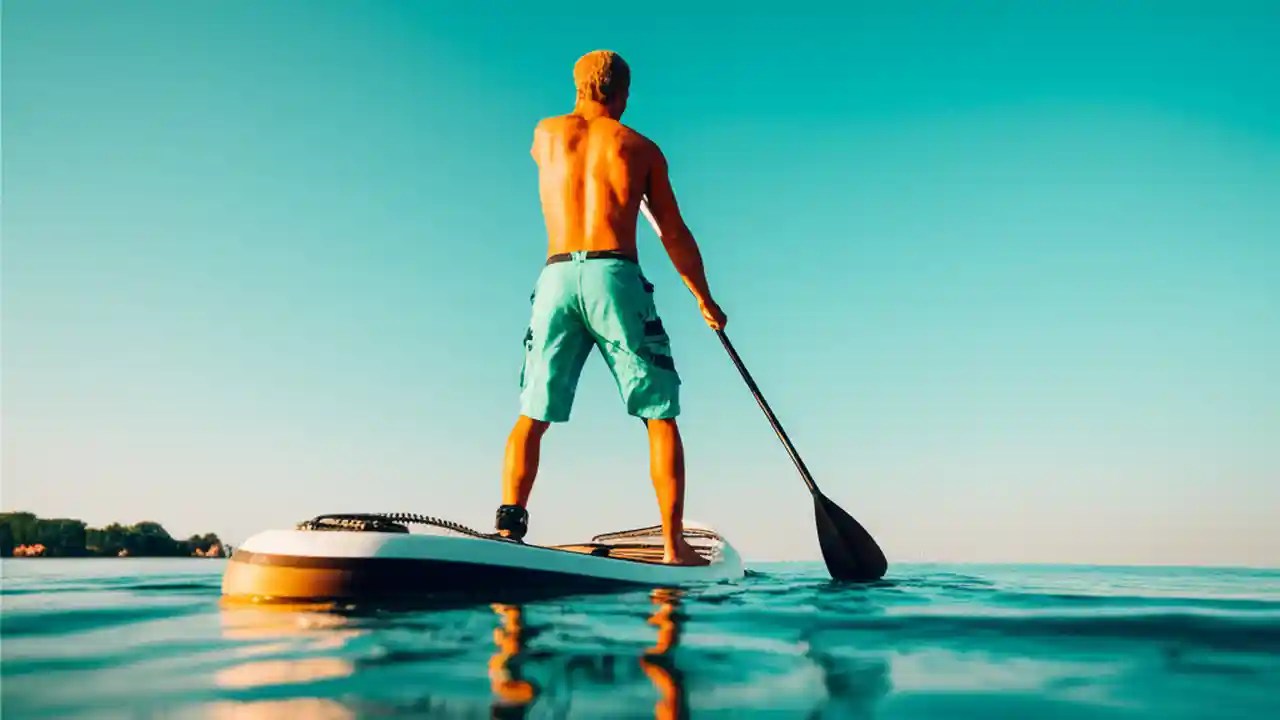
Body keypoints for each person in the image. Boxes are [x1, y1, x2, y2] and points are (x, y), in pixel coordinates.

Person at [493, 50, 726, 565]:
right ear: (622, 94)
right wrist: (704, 299)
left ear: (577, 88)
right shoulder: (641, 149)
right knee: (659, 413)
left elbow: (553, 156)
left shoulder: (545, 135)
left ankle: (509, 530)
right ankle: (673, 545)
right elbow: (674, 233)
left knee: (532, 413)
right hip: (613, 276)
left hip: (556, 277)